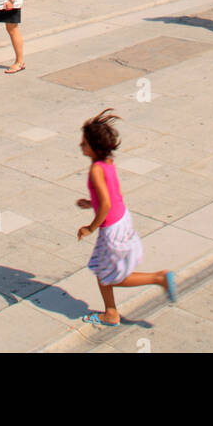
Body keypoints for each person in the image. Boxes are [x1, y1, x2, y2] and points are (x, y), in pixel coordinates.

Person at [77, 108, 176, 326]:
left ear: (94, 147)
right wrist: (90, 203)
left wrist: (90, 227)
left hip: (111, 227)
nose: (81, 146)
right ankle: (110, 313)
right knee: (101, 270)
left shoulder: (95, 170)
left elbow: (106, 203)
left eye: (84, 143)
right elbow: (111, 194)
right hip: (121, 220)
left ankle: (159, 278)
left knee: (110, 276)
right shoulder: (107, 162)